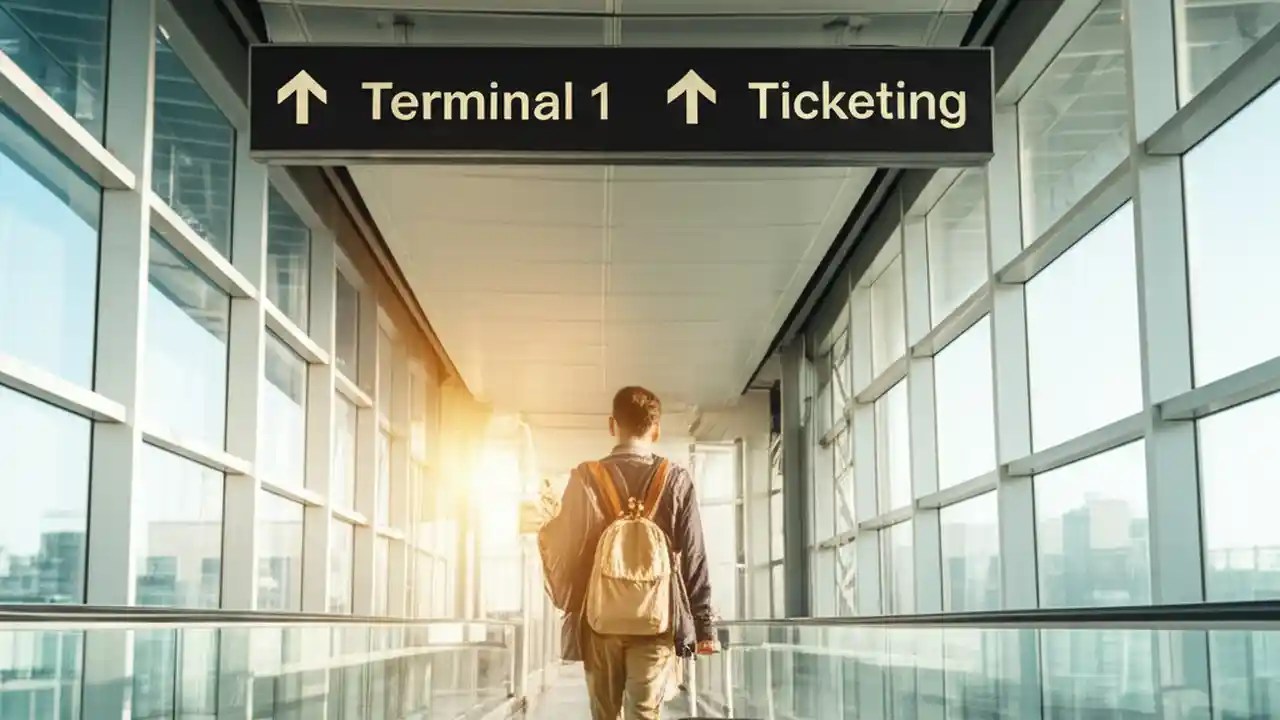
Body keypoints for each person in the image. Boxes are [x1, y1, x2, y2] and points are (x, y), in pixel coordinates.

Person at [538, 386, 716, 720]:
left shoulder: (586, 477)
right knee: (644, 712)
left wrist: (544, 527)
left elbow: (564, 545)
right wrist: (703, 627)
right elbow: (695, 555)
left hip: (599, 620)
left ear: (612, 425)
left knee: (604, 713)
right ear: (656, 429)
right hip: (657, 619)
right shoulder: (676, 480)